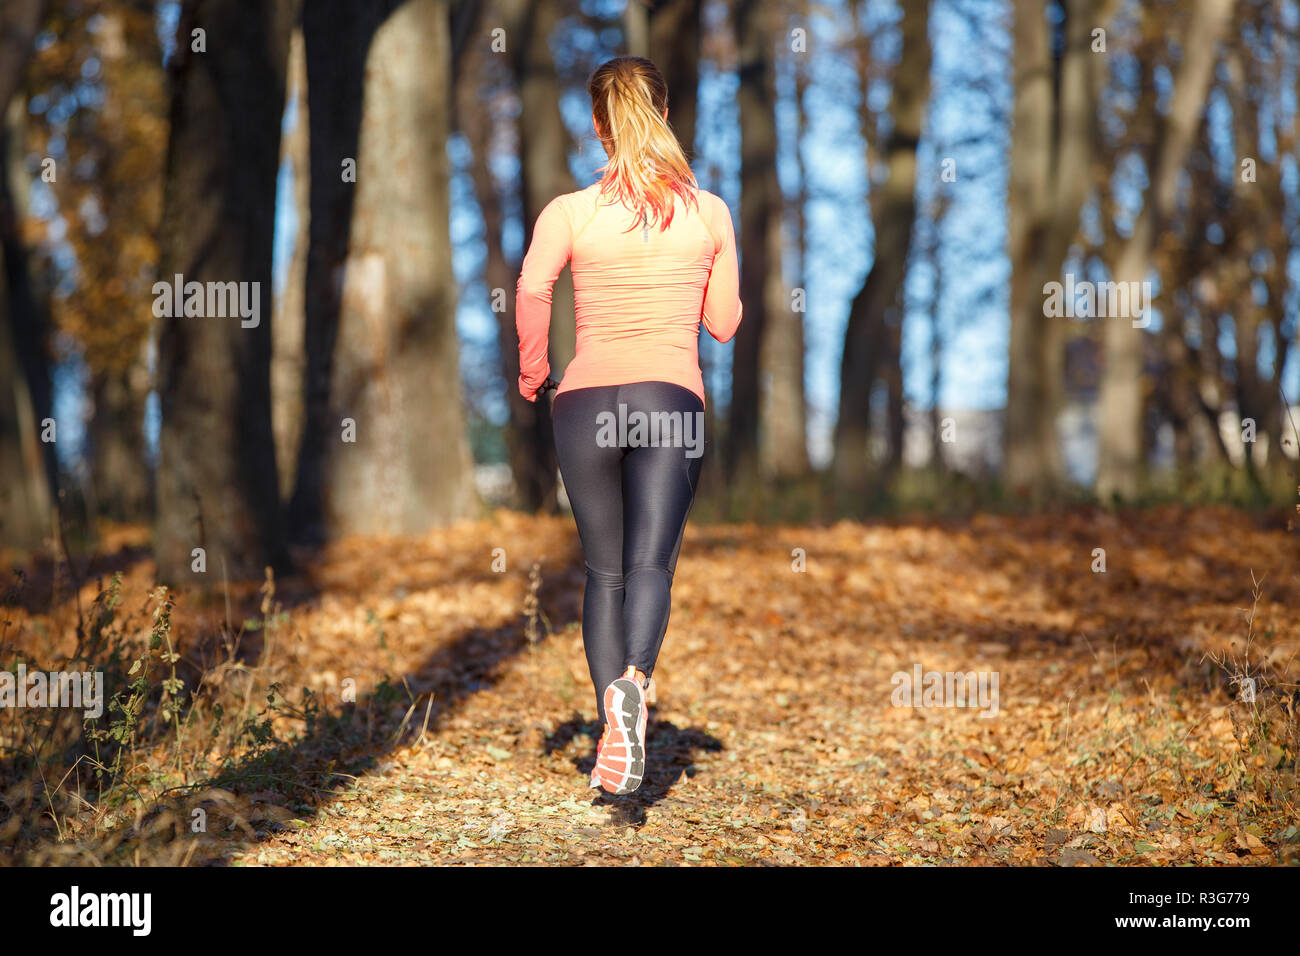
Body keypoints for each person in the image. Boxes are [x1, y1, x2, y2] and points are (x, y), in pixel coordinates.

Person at [515, 55, 742, 795]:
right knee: (650, 565)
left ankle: (615, 731)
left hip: (584, 405)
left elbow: (532, 286)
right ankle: (636, 684)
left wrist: (531, 373)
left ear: (597, 125)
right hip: (671, 399)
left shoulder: (569, 212)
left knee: (602, 571)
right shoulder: (707, 211)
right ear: (666, 115)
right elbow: (724, 324)